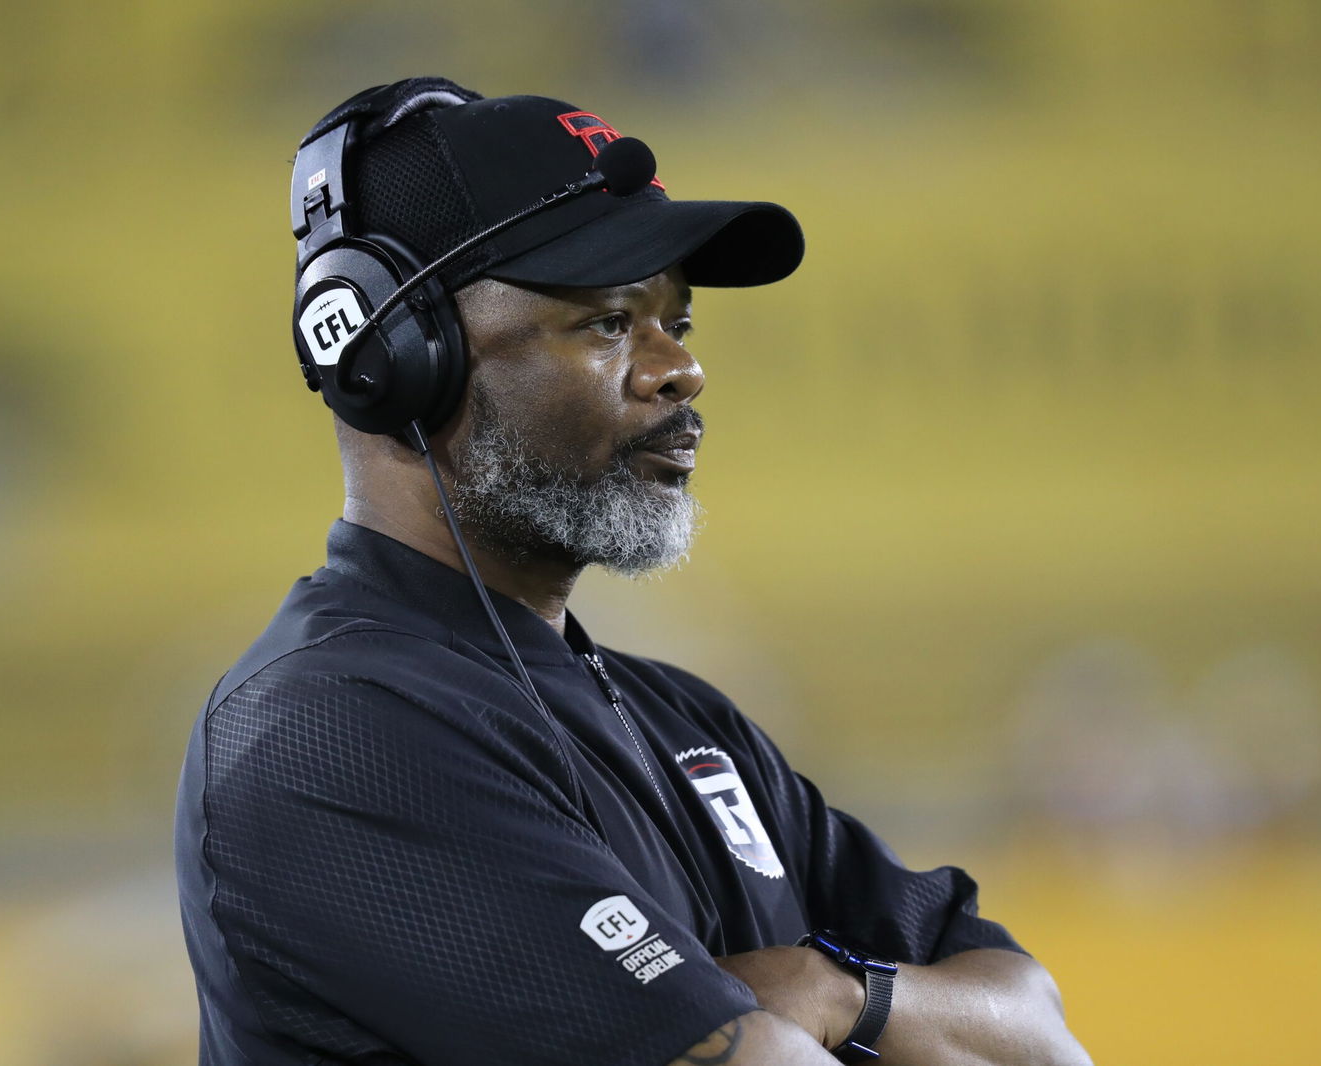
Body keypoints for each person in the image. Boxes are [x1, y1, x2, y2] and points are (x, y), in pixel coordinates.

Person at [174, 76, 1092, 1066]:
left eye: (677, 325)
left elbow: (1038, 1035)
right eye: (610, 322)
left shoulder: (688, 724)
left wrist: (839, 992)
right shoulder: (327, 731)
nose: (679, 370)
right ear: (394, 355)